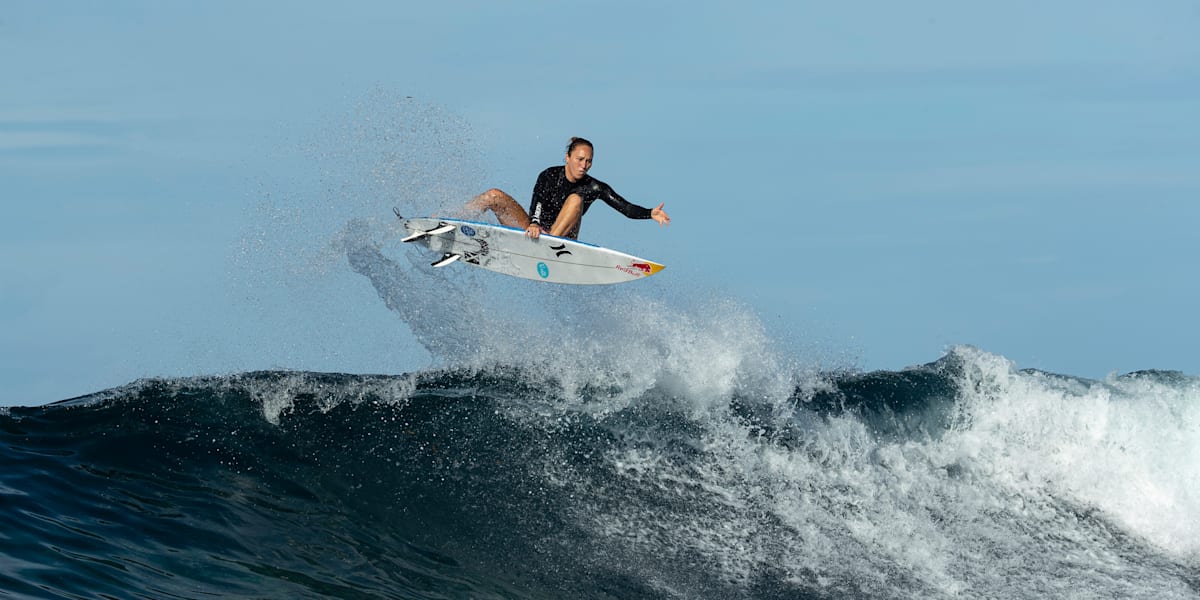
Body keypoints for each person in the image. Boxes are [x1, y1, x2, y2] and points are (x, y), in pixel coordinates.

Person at [465, 137, 670, 240]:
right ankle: (451, 223)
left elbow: (626, 208)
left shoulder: (594, 187)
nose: (584, 165)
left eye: (589, 161)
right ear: (567, 157)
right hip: (534, 230)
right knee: (494, 195)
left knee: (576, 198)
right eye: (580, 159)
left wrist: (649, 213)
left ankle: (549, 243)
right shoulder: (549, 175)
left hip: (562, 239)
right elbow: (537, 203)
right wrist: (534, 223)